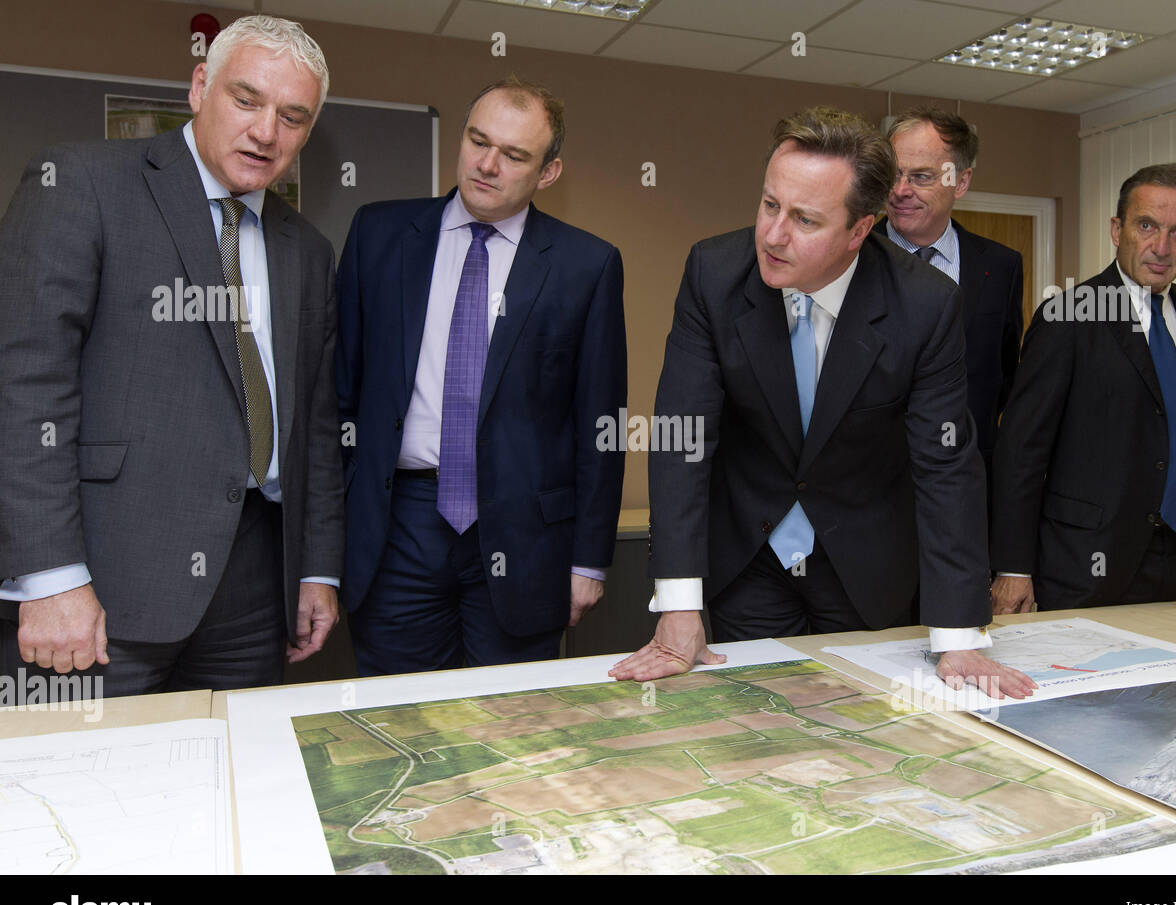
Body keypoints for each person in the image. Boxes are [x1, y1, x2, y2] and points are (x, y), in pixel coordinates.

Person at [610, 106, 1035, 700]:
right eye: (769, 205)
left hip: (866, 562)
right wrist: (680, 604)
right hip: (750, 555)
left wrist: (959, 633)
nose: (773, 235)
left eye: (805, 219)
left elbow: (946, 467)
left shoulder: (925, 305)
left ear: (861, 230)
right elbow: (684, 440)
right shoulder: (715, 274)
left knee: (861, 733)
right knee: (751, 726)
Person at [0, 15, 343, 695]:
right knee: (92, 791)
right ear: (199, 87)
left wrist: (317, 569)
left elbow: (317, 426)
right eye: (247, 100)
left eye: (293, 116)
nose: (267, 132)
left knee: (235, 784)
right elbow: (24, 386)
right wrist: (50, 576)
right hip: (105, 580)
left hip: (255, 583)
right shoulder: (81, 184)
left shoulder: (306, 248)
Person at [336, 77, 626, 675]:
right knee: (397, 718)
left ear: (548, 172)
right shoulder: (379, 235)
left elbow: (602, 424)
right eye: (478, 141)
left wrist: (589, 560)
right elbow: (340, 391)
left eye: (514, 155)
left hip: (525, 538)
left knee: (514, 725)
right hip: (398, 526)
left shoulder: (587, 264)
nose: (487, 165)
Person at [991, 163, 1176, 613]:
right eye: (1147, 225)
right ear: (1117, 228)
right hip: (1092, 562)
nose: (1162, 247)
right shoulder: (1068, 316)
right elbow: (1020, 452)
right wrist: (1013, 567)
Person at [876, 107, 1023, 487]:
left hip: (966, 481)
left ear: (960, 181)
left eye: (920, 177)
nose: (899, 190)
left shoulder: (1001, 267)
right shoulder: (848, 259)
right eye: (894, 174)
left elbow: (1003, 375)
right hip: (868, 485)